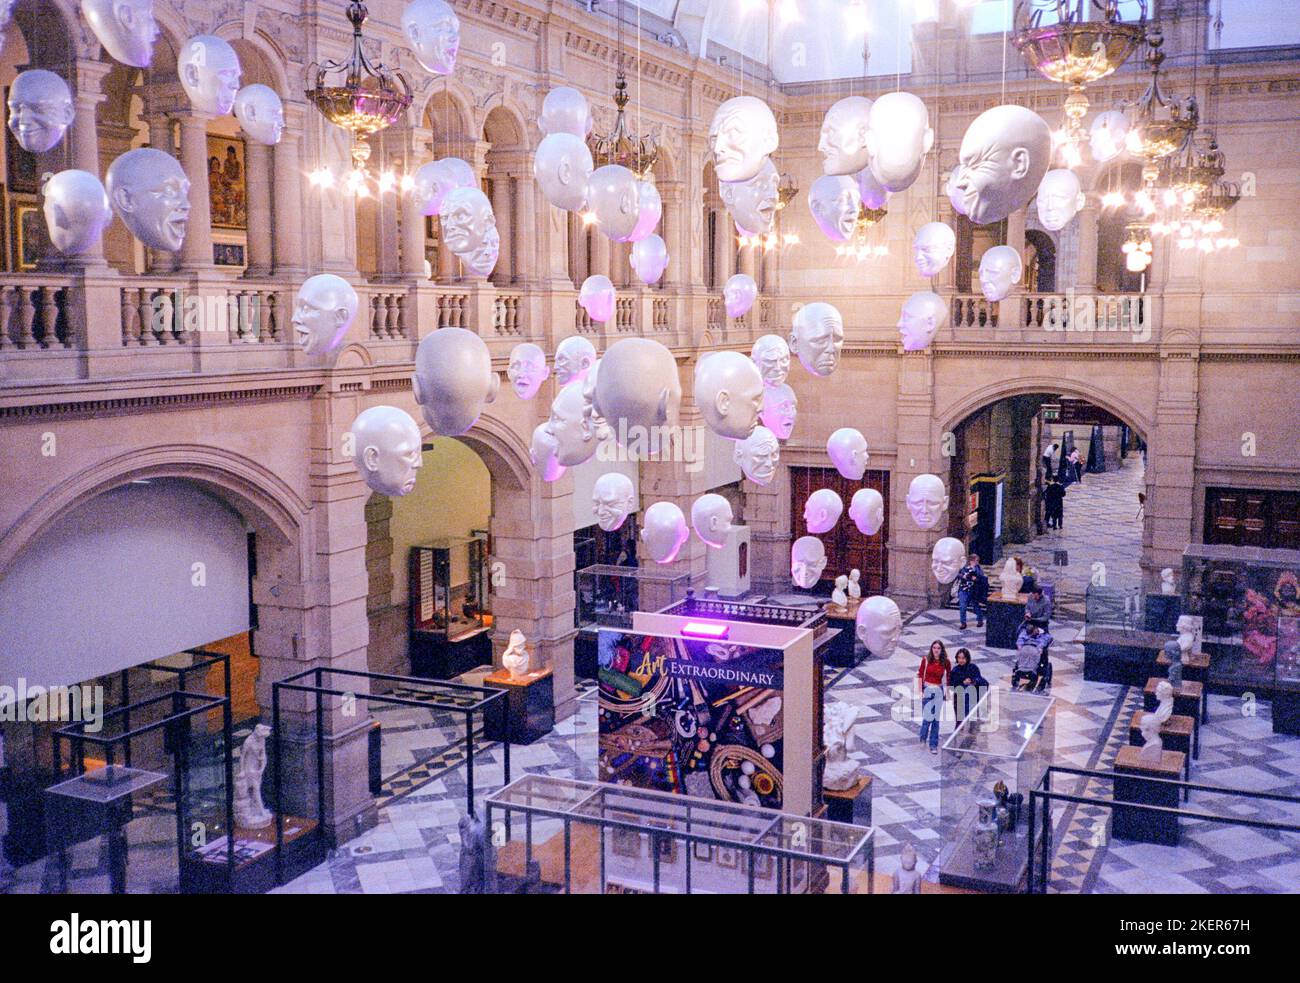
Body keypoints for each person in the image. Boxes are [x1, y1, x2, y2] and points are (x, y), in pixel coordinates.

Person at [917, 640, 951, 754]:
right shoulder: (926, 660)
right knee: (927, 717)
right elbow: (920, 675)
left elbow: (949, 677)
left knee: (936, 719)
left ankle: (933, 744)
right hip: (927, 689)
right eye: (934, 647)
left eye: (938, 648)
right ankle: (923, 738)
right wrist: (920, 691)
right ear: (931, 649)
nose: (936, 650)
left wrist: (948, 691)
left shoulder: (945, 662)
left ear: (942, 650)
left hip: (938, 690)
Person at [949, 648, 987, 725]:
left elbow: (979, 679)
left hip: (972, 698)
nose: (961, 660)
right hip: (959, 699)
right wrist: (962, 683)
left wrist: (973, 681)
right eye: (959, 658)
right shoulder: (955, 670)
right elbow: (952, 685)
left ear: (967, 658)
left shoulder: (973, 668)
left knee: (972, 720)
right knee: (960, 721)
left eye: (963, 658)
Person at [954, 553, 988, 630]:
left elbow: (981, 577)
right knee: (962, 606)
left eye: (978, 561)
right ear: (971, 560)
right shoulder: (964, 567)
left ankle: (980, 620)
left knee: (975, 606)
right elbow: (958, 574)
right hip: (964, 590)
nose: (977, 562)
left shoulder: (978, 568)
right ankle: (963, 623)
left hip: (973, 590)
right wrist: (964, 576)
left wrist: (976, 578)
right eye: (976, 560)